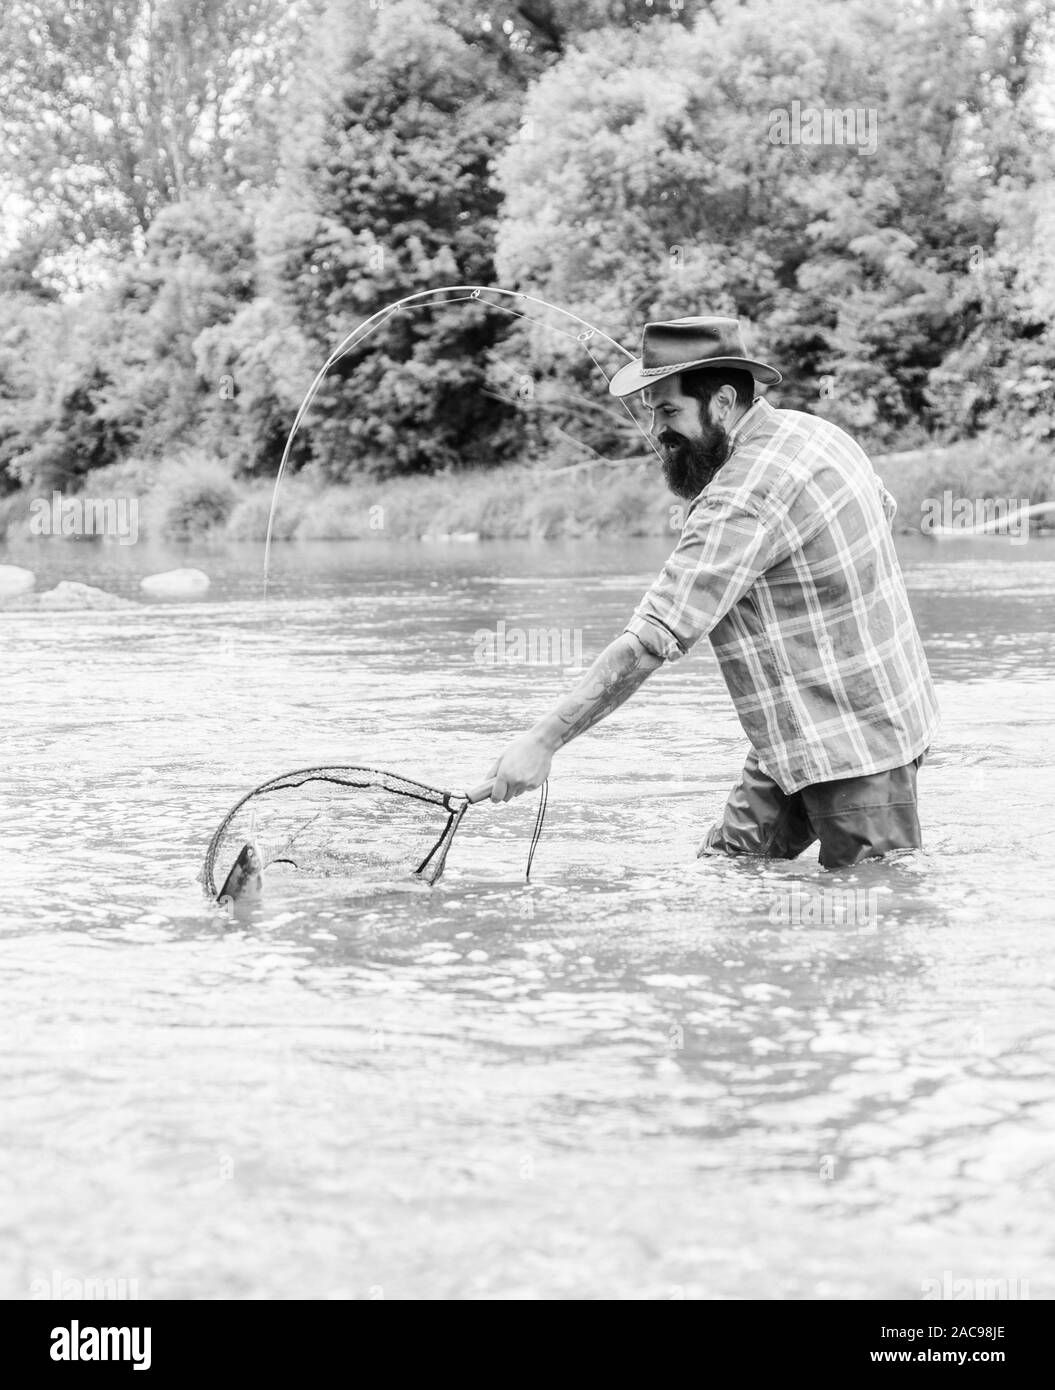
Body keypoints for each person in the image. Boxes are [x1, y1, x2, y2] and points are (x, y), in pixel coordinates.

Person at [484, 315, 940, 869]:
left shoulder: (739, 499)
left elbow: (652, 639)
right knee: (727, 873)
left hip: (860, 751)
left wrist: (543, 742)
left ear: (723, 403)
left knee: (875, 912)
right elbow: (883, 512)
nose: (656, 430)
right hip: (795, 737)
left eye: (670, 410)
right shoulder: (818, 433)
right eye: (652, 411)